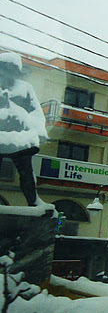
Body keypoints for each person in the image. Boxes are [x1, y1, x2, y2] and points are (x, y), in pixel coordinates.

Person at [0, 52, 48, 206]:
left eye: (12, 69)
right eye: (5, 68)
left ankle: (34, 201)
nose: (8, 72)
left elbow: (35, 111)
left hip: (20, 138)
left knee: (26, 172)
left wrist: (39, 131)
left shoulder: (25, 88)